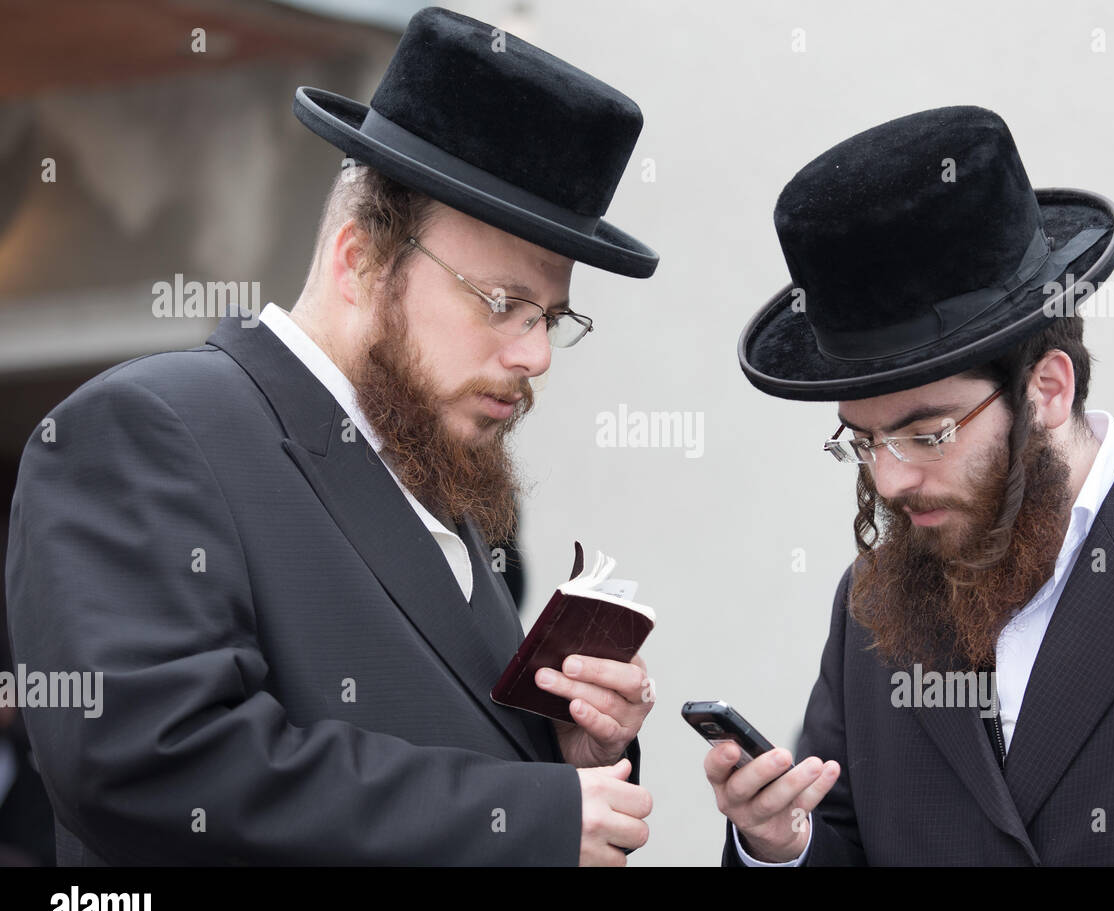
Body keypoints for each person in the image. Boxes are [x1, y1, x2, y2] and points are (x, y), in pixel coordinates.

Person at [5, 6, 657, 866]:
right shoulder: (151, 429)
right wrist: (523, 816)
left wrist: (565, 758)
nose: (534, 354)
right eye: (502, 303)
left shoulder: (440, 479)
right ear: (360, 259)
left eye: (551, 318)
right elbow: (149, 762)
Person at [706, 105, 1114, 865]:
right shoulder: (872, 603)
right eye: (863, 440)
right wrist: (778, 845)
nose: (889, 479)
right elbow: (847, 844)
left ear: (1047, 390)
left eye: (928, 433)